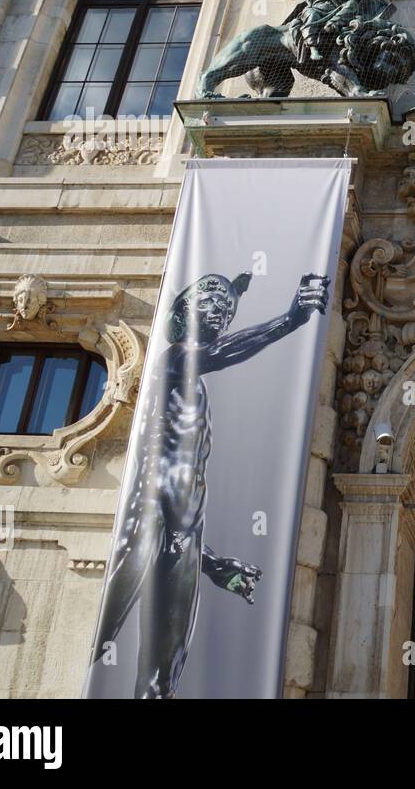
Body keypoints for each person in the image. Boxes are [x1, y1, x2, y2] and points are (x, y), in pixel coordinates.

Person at [89, 270, 329, 698]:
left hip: (185, 539)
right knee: (99, 644)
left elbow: (184, 499)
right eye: (210, 302)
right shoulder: (173, 361)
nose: (220, 311)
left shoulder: (197, 399)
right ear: (182, 313)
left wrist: (214, 563)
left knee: (162, 683)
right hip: (144, 526)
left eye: (227, 308)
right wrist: (288, 321)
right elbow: (218, 353)